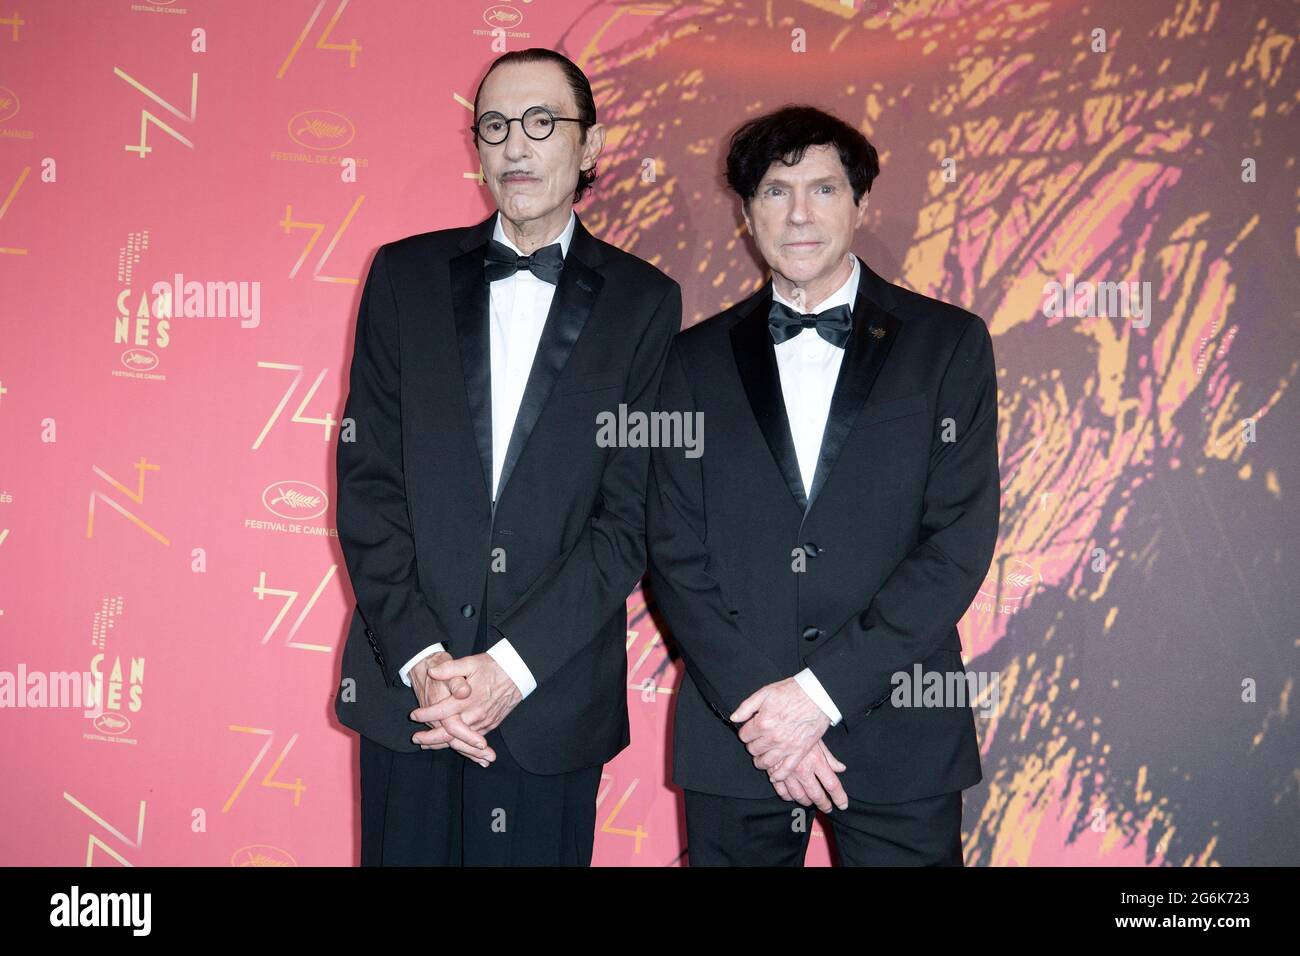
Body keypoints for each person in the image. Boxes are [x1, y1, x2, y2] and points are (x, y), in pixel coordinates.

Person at [335, 48, 680, 866]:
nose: (516, 146)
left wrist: (507, 670)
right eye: (495, 126)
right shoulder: (402, 276)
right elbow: (367, 481)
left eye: (540, 123)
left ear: (589, 146)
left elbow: (627, 517)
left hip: (548, 699)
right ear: (477, 147)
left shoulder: (646, 303)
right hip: (410, 697)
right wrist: (425, 661)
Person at [646, 104, 999, 865]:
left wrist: (819, 697)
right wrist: (768, 715)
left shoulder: (948, 345)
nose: (799, 213)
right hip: (738, 734)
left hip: (899, 731)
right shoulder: (688, 361)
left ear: (860, 202)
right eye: (775, 191)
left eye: (824, 189)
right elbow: (673, 553)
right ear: (746, 213)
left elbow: (957, 544)